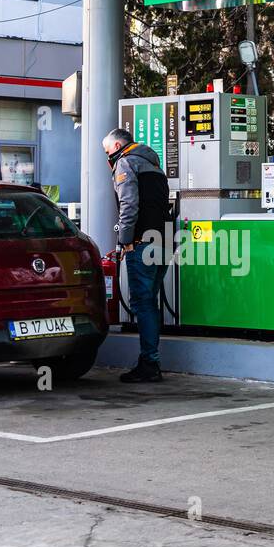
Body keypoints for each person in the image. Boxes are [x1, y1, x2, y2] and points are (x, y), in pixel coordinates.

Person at [103, 127, 170, 382]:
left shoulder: (125, 163)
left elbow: (129, 204)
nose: (108, 157)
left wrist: (124, 240)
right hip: (164, 240)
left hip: (142, 242)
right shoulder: (153, 164)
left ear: (119, 145)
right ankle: (150, 360)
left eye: (108, 151)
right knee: (149, 302)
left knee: (142, 303)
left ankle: (150, 364)